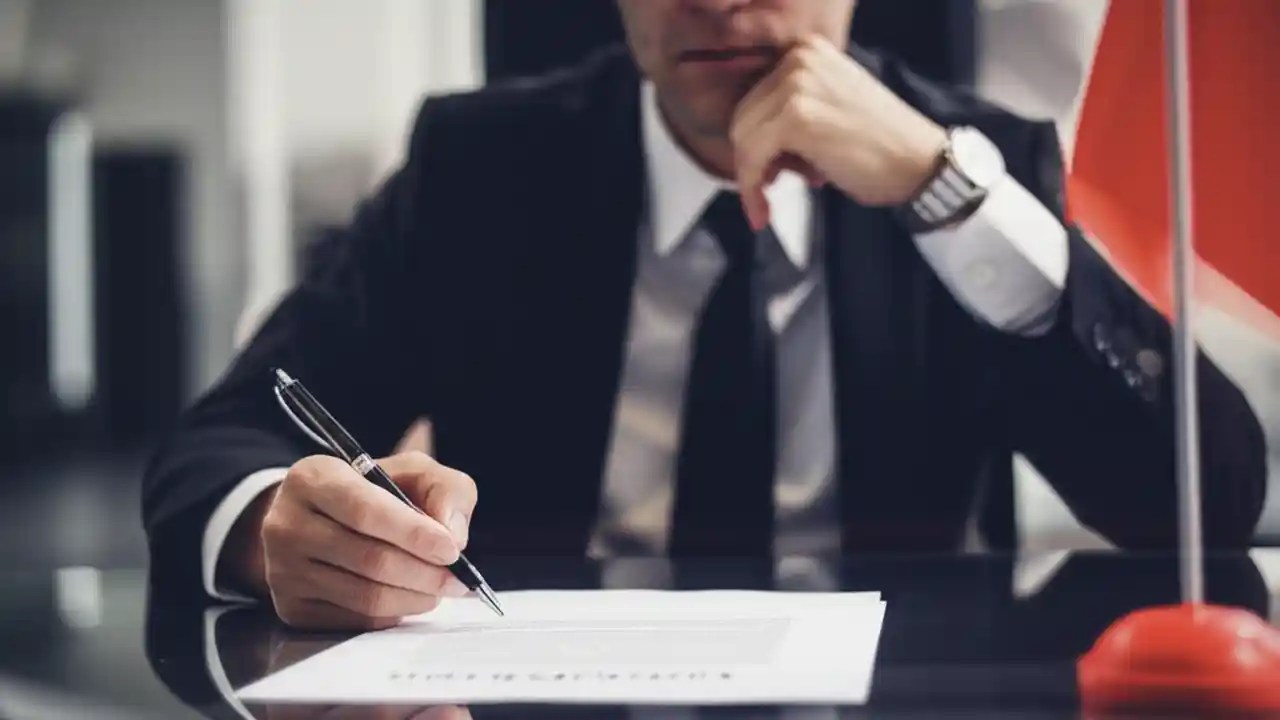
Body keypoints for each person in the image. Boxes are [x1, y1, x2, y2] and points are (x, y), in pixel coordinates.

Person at [144, 0, 1266, 629]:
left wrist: (942, 193)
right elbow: (225, 440)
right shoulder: (478, 165)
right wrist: (270, 528)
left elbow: (1207, 497)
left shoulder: (981, 166)